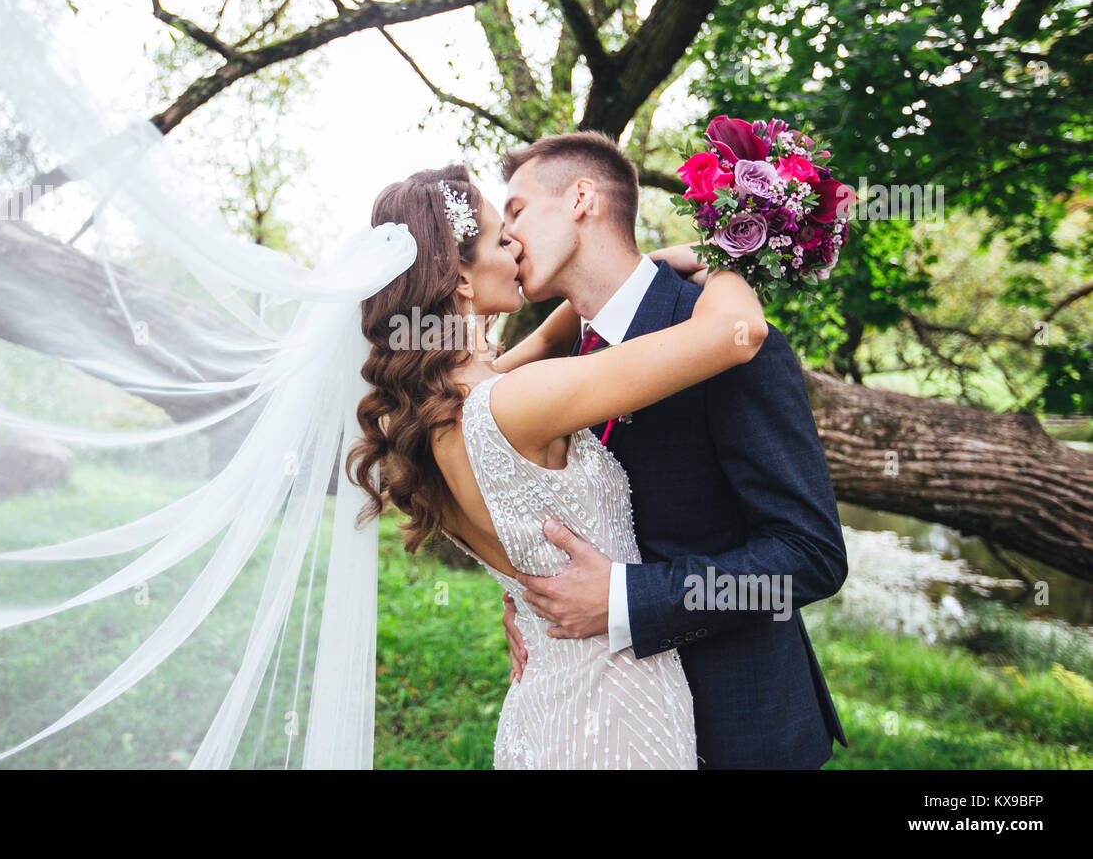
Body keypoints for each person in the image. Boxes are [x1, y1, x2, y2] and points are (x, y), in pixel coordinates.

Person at [346, 163, 768, 768]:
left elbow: (541, 344)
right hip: (619, 711)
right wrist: (736, 249)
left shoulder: (423, 423)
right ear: (460, 278)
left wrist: (637, 265)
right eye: (499, 238)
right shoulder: (520, 403)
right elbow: (739, 330)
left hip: (543, 707)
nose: (515, 244)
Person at [497, 131, 849, 769]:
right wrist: (528, 601)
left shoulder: (728, 336)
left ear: (582, 198)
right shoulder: (570, 354)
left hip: (736, 730)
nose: (505, 236)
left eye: (516, 210)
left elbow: (811, 556)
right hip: (604, 723)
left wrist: (627, 598)